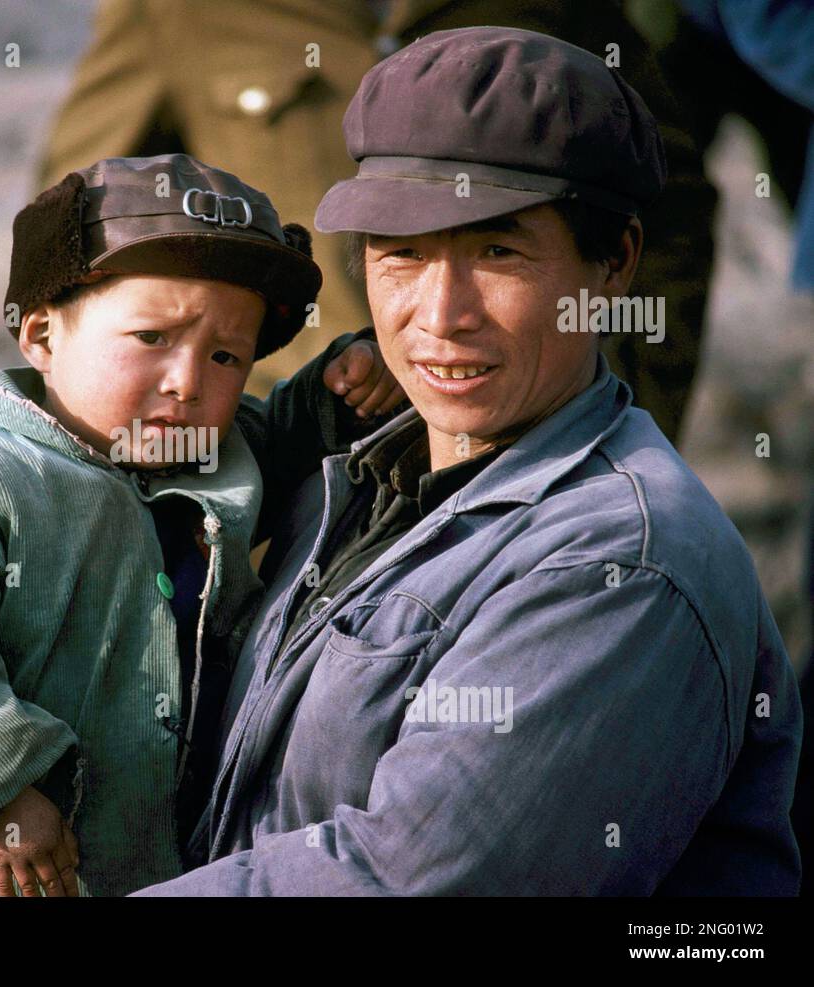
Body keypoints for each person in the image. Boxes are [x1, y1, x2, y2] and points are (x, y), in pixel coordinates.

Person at [134, 27, 803, 896]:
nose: (440, 315)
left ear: (613, 263)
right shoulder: (363, 473)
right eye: (401, 253)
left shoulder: (621, 564)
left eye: (497, 251)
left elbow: (410, 878)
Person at [0, 153, 401, 896]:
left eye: (226, 354)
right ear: (41, 335)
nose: (188, 380)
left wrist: (342, 381)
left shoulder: (204, 456)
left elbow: (282, 436)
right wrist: (3, 785)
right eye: (152, 338)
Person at [39, 0, 716, 448]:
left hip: (529, 436)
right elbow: (81, 224)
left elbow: (668, 206)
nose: (440, 310)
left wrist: (631, 410)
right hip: (293, 460)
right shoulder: (186, 11)